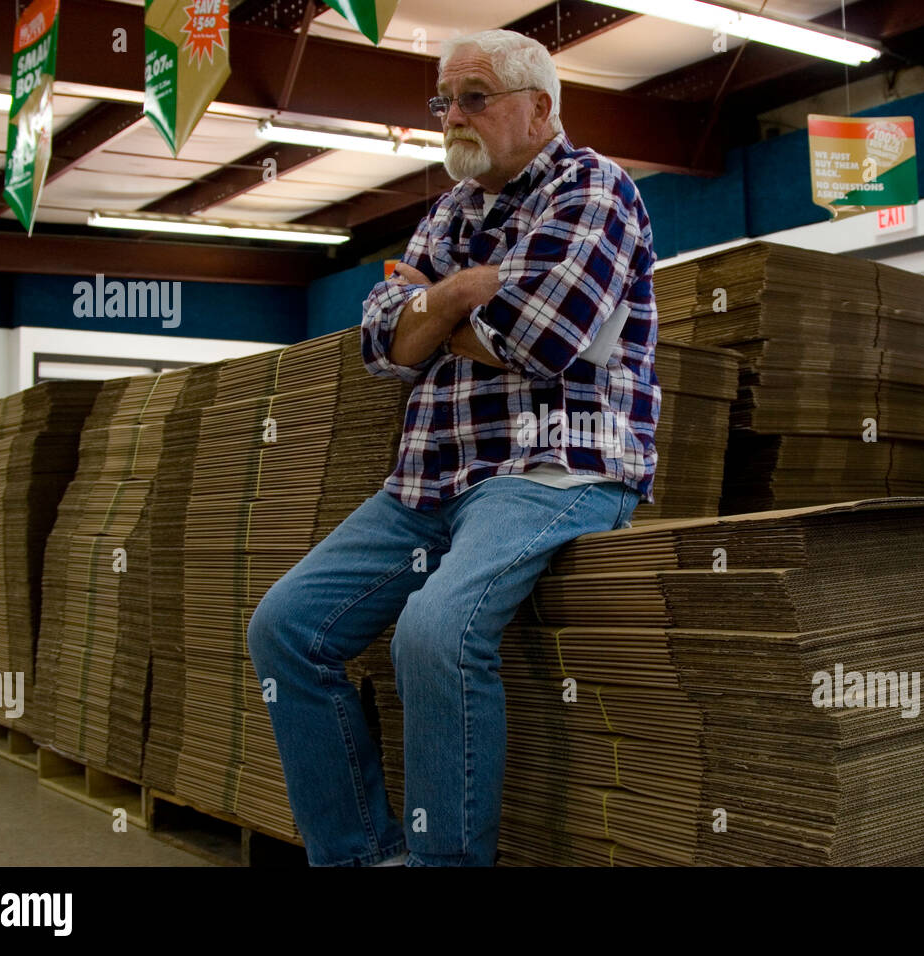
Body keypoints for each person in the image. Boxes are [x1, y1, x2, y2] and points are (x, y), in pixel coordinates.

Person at [246, 28, 660, 867]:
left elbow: (546, 338)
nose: (452, 117)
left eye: (474, 97)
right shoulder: (451, 211)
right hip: (429, 483)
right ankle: (361, 857)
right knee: (284, 629)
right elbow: (378, 346)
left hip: (555, 470)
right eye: (444, 101)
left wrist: (432, 313)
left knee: (433, 632)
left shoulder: (595, 191)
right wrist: (464, 297)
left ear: (540, 107)